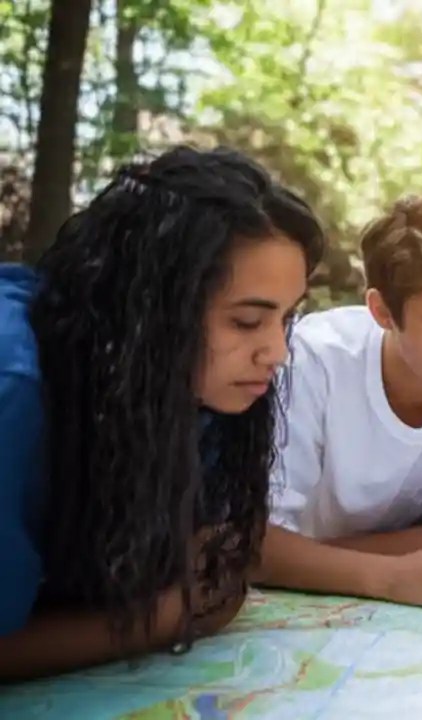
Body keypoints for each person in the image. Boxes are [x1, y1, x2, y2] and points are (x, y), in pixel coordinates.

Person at [0, 146, 325, 680]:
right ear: (149, 306)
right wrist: (163, 619)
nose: (278, 352)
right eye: (246, 322)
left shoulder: (188, 388)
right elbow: (196, 594)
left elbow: (212, 560)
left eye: (286, 319)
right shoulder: (16, 390)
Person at [252, 196, 422, 607]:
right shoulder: (310, 359)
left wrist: (310, 557)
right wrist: (386, 576)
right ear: (382, 311)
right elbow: (255, 547)